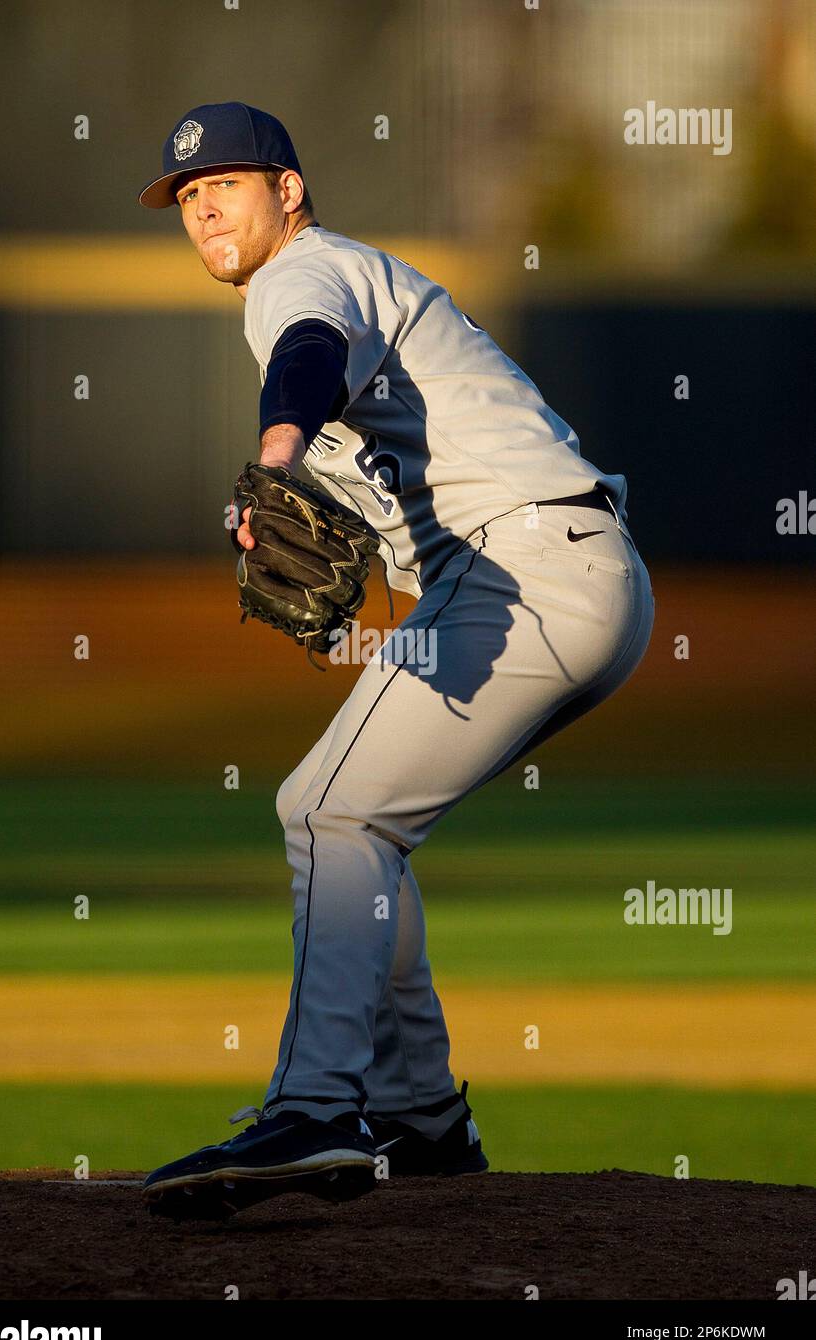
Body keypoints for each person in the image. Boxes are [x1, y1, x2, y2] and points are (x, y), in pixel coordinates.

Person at [138, 102, 654, 1219]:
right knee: (351, 815)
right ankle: (421, 1116)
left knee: (329, 810)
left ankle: (319, 1105)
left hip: (525, 562)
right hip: (564, 570)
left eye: (226, 181)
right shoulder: (351, 278)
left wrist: (275, 460)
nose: (203, 206)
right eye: (186, 196)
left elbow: (308, 357)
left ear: (290, 189)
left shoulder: (303, 276)